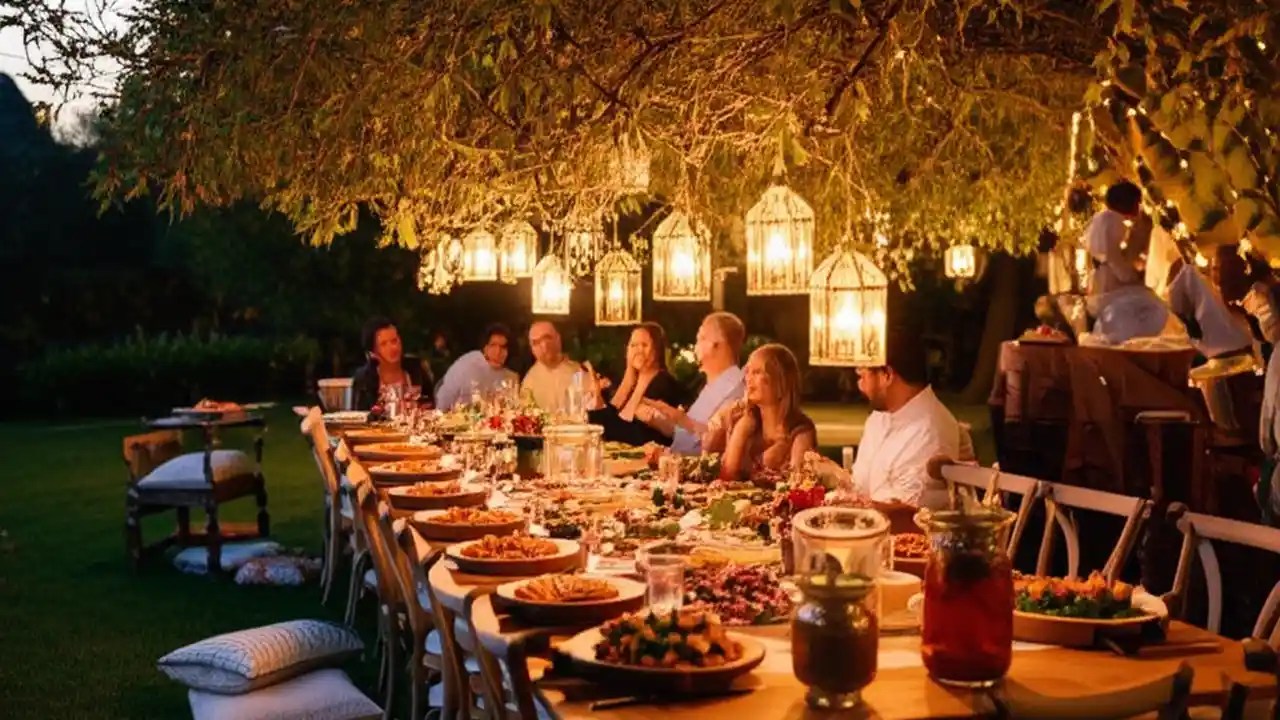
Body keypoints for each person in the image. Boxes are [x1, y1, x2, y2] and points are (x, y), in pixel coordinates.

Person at [812, 332, 960, 508]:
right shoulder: (879, 418)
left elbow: (905, 516)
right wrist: (835, 477)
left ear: (887, 375)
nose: (859, 383)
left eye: (863, 374)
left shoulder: (929, 432)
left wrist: (850, 506)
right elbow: (861, 487)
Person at [640, 312, 747, 455]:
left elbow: (714, 447)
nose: (696, 346)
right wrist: (656, 417)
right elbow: (687, 436)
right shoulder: (712, 385)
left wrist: (666, 454)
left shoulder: (736, 389)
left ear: (717, 345)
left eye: (701, 338)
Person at [720, 344, 817, 481]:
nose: (748, 379)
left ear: (780, 381)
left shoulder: (800, 432)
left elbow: (797, 485)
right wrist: (741, 430)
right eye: (747, 372)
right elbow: (726, 478)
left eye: (757, 372)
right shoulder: (742, 423)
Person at [584, 322, 686, 446]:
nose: (638, 351)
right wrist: (599, 394)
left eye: (644, 345)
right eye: (633, 345)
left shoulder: (663, 384)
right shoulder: (632, 381)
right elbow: (608, 425)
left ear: (657, 350)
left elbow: (636, 436)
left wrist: (598, 406)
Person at [433, 323, 520, 410]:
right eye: (493, 345)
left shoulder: (511, 377)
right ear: (485, 348)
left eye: (503, 347)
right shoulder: (468, 365)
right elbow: (444, 398)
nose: (498, 352)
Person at [351, 317, 430, 411]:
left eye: (394, 341)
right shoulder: (365, 378)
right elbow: (359, 416)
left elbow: (431, 405)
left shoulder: (416, 369)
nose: (393, 348)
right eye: (383, 344)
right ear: (373, 351)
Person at [521, 321, 582, 411]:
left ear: (558, 339)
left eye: (547, 338)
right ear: (532, 349)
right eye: (536, 342)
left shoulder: (578, 372)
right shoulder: (529, 380)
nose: (544, 345)